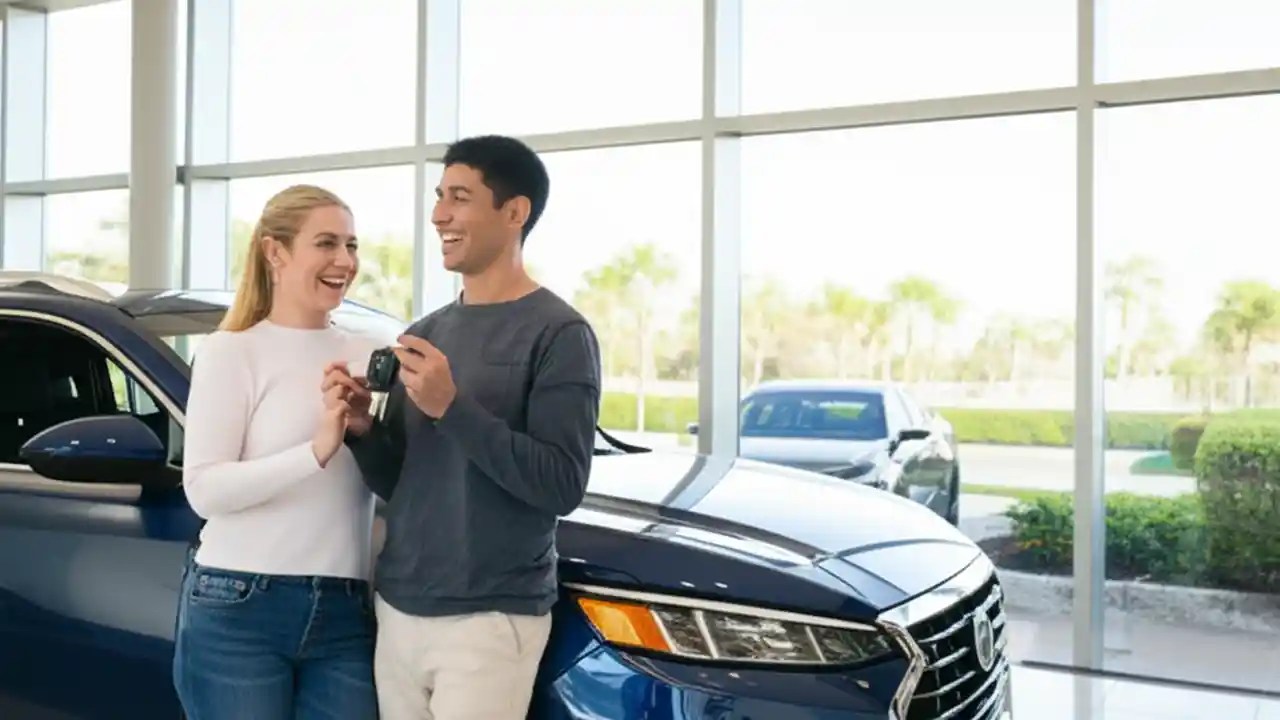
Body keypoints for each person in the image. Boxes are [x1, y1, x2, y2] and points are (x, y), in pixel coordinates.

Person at [324, 134, 602, 720]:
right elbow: (401, 481)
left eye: (459, 197)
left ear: (514, 212)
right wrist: (361, 433)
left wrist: (454, 408)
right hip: (399, 606)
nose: (439, 215)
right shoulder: (424, 333)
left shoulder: (560, 334)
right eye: (438, 197)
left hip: (491, 621)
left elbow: (561, 485)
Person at [172, 185, 381, 720]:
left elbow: (396, 479)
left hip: (346, 610)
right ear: (275, 252)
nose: (344, 261)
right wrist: (314, 451)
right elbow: (204, 489)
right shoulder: (230, 351)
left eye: (352, 245)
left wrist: (364, 430)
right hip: (239, 607)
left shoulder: (368, 355)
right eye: (327, 243)